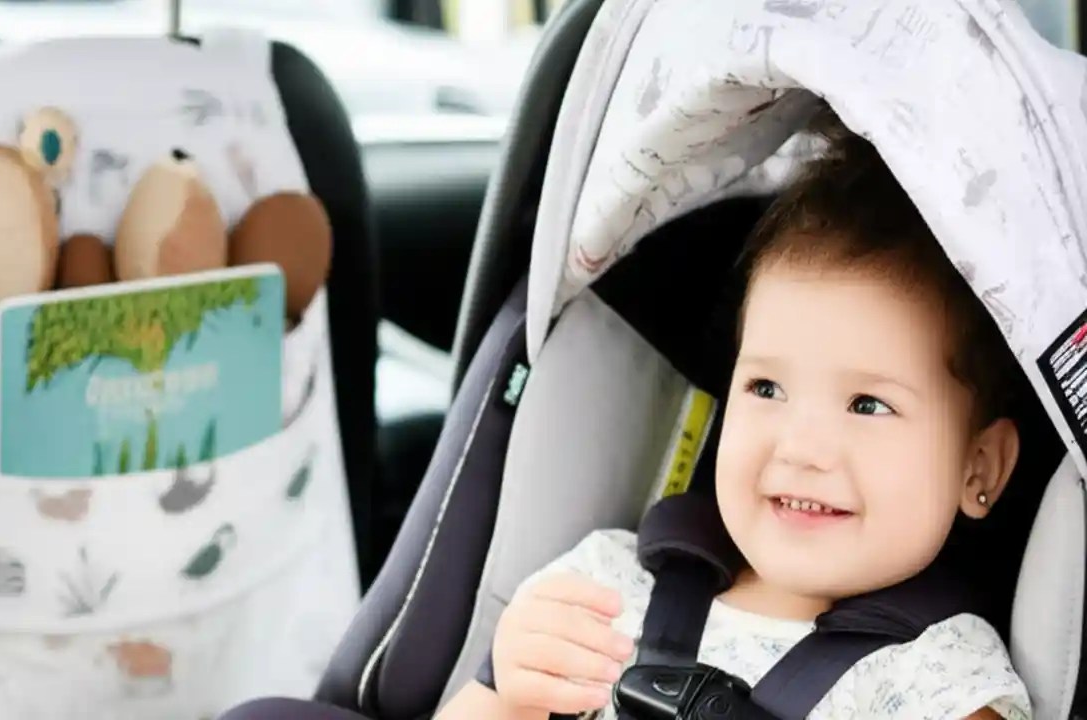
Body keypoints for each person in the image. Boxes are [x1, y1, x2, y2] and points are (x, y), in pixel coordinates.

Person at [435, 110, 1032, 720]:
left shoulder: (943, 679)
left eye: (868, 404)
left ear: (980, 467)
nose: (800, 447)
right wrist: (507, 688)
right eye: (766, 388)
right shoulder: (607, 587)